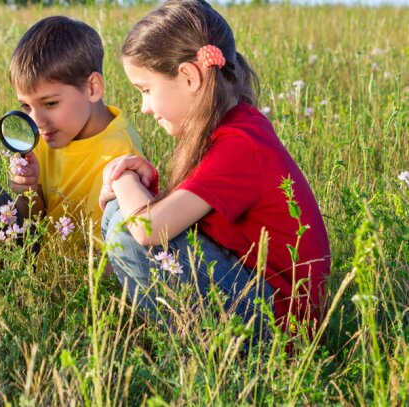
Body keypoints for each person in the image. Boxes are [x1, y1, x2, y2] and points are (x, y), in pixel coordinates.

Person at [100, 0, 330, 338]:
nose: (145, 108)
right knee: (120, 214)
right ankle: (175, 337)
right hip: (258, 298)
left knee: (125, 226)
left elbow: (150, 229)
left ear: (190, 76)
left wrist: (121, 177)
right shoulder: (232, 129)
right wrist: (134, 187)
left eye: (146, 91)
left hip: (279, 326)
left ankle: (202, 351)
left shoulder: (241, 145)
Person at [0, 16, 145, 250]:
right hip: (31, 245)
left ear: (92, 87)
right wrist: (29, 190)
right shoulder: (47, 133)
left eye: (51, 104)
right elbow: (32, 219)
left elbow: (106, 251)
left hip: (72, 266)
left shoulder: (120, 154)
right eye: (26, 107)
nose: (37, 121)